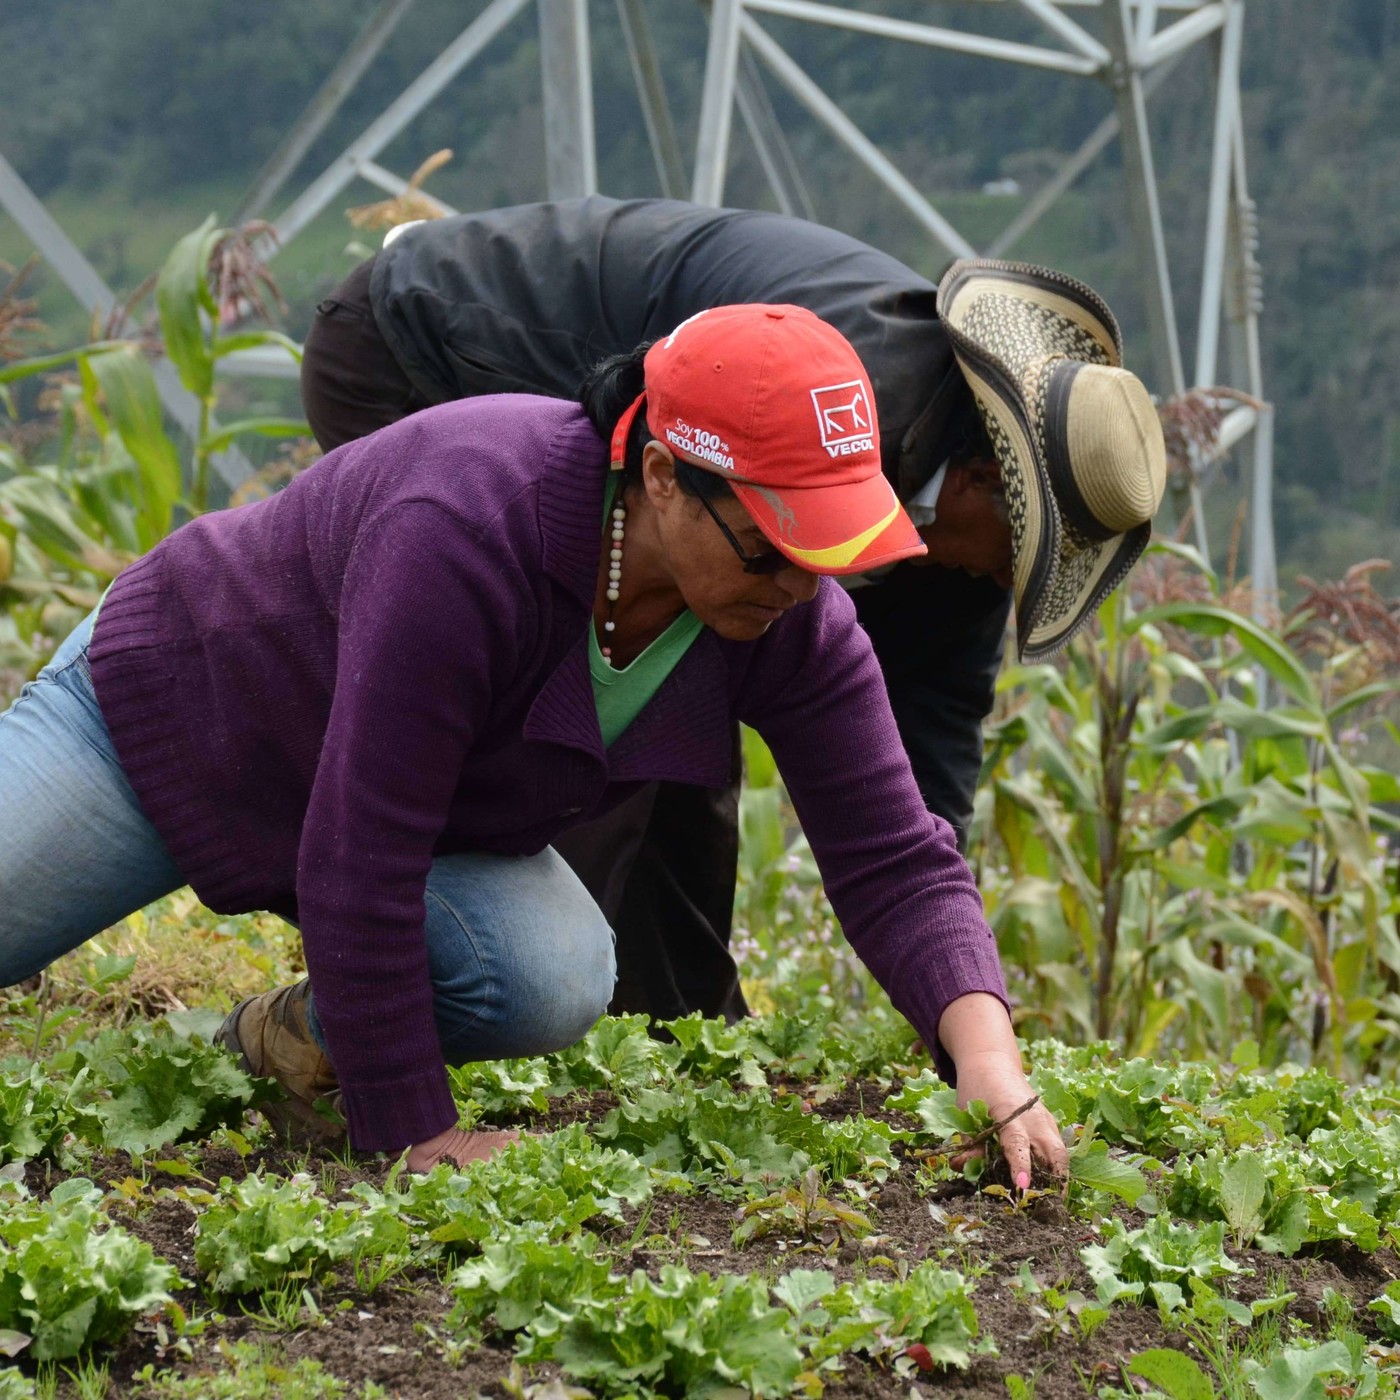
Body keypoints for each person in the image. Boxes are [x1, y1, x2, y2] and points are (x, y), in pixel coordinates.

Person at [0, 303, 1076, 1181]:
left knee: (551, 970)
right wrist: (415, 1134)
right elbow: (361, 847)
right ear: (662, 476)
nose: (798, 585)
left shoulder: (783, 617)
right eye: (769, 549)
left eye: (826, 553)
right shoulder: (471, 524)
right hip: (177, 713)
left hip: (374, 810)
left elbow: (891, 847)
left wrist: (985, 1056)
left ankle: (265, 1039)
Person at [299, 197, 1166, 1024]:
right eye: (1015, 559)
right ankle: (451, 1008)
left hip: (629, 477)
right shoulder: (847, 409)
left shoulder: (954, 506)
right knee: (575, 740)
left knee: (682, 741)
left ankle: (678, 1029)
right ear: (983, 484)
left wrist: (948, 982)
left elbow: (921, 768)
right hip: (415, 349)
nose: (996, 584)